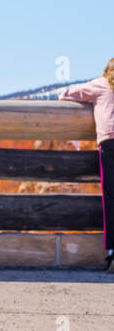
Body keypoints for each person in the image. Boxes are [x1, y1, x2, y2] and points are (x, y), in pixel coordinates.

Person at [59, 60, 114, 273]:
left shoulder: (100, 84)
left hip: (109, 142)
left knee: (111, 198)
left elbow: (67, 94)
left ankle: (112, 254)